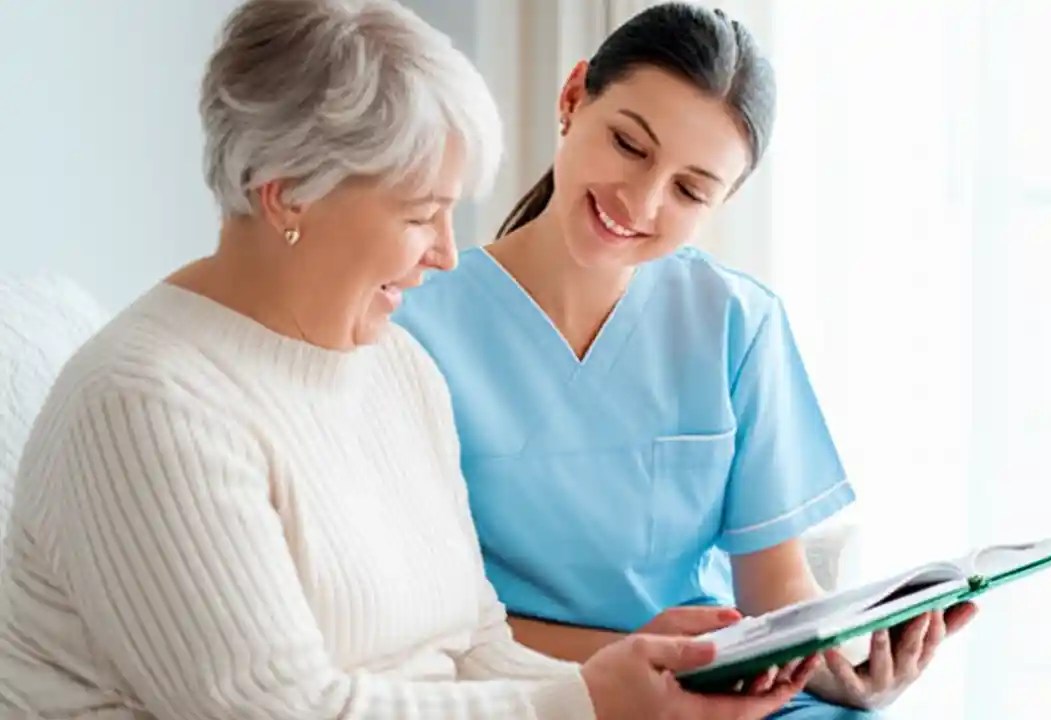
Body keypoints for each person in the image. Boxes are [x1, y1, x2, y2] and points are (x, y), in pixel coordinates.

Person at [0, 1, 820, 717]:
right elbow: (282, 712)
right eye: (422, 213)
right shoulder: (146, 402)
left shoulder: (396, 369)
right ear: (288, 192)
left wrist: (637, 685)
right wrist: (594, 704)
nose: (447, 256)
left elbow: (475, 646)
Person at [394, 3, 978, 718]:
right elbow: (413, 623)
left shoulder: (737, 323)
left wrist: (848, 664)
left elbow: (774, 592)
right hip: (534, 690)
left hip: (720, 688)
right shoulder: (410, 320)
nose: (640, 199)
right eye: (629, 145)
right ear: (573, 98)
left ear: (723, 201)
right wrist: (631, 656)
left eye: (691, 189)